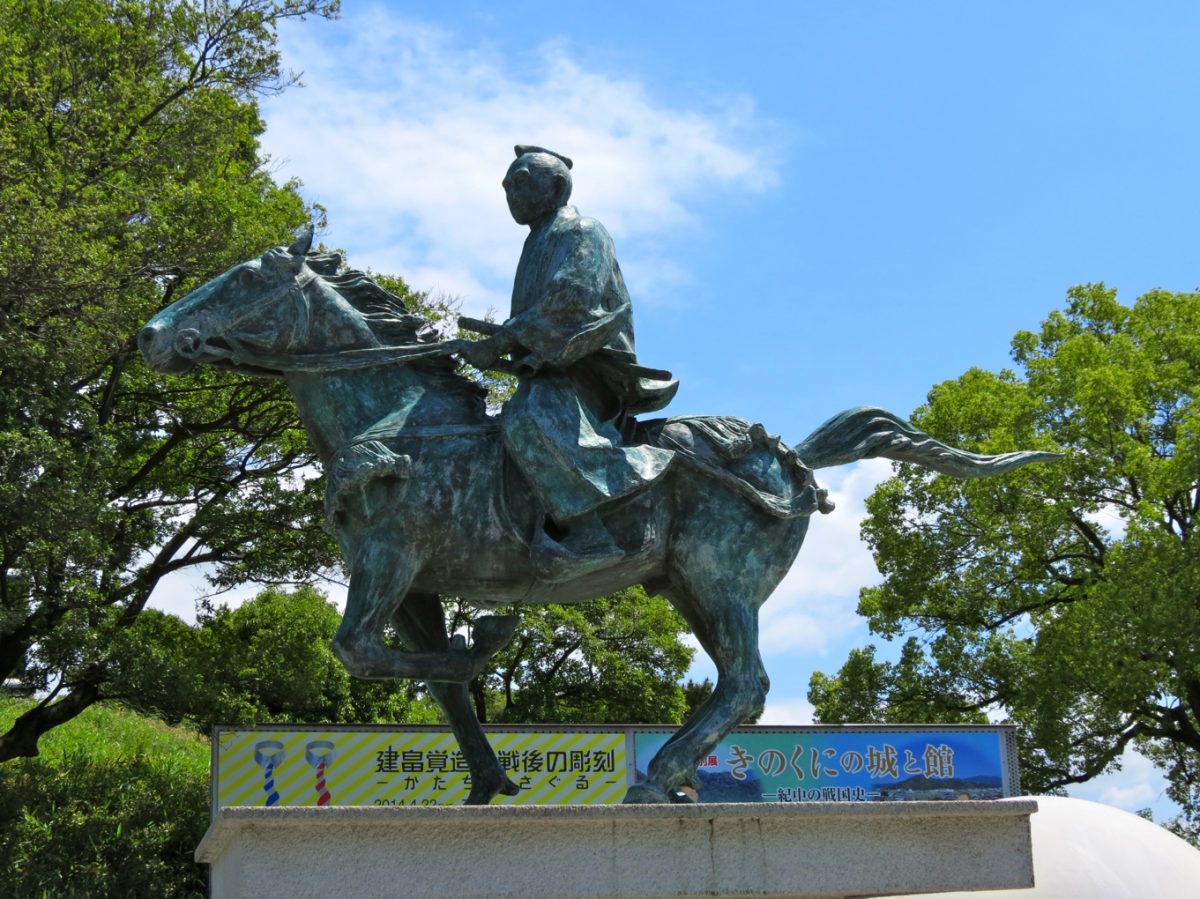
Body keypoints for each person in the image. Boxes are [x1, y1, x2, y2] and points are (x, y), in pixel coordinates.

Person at [459, 146, 678, 581]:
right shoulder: (537, 240)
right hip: (550, 367)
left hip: (588, 367)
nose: (510, 193)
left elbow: (572, 298)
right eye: (506, 186)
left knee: (530, 416)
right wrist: (503, 342)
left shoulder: (582, 230)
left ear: (556, 186)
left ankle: (589, 533)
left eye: (520, 182)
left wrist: (504, 337)